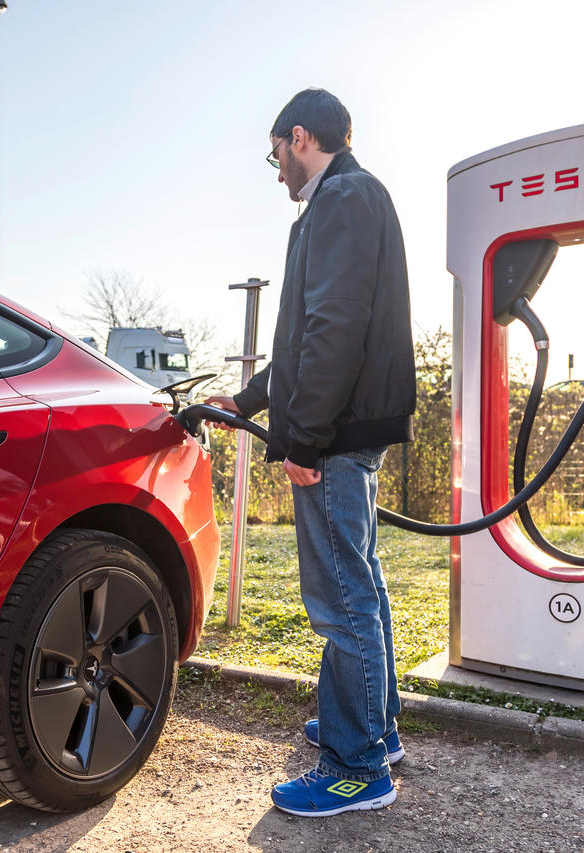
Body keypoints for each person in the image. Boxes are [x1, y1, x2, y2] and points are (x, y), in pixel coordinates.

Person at [205, 88, 416, 816]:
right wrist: (251, 401)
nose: (275, 170)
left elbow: (334, 325)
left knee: (339, 598)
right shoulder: (348, 200)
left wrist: (306, 438)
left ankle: (357, 767)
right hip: (350, 426)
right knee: (361, 582)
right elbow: (305, 336)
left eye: (275, 153)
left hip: (336, 432)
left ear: (299, 137)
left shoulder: (341, 199)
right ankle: (374, 726)